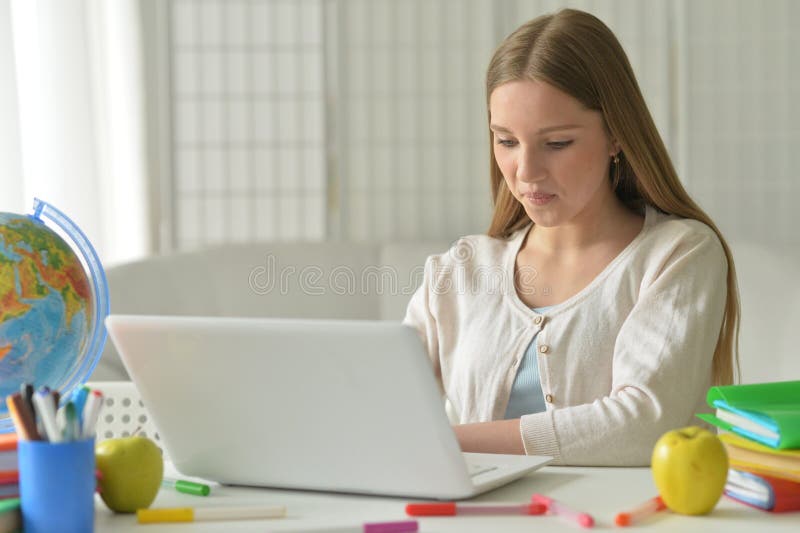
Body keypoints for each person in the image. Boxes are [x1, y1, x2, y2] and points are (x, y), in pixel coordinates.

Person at [402, 8, 739, 466]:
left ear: (617, 134)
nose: (526, 171)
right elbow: (386, 405)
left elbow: (645, 424)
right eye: (505, 141)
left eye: (556, 143)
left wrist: (450, 441)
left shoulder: (678, 255)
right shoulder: (461, 268)